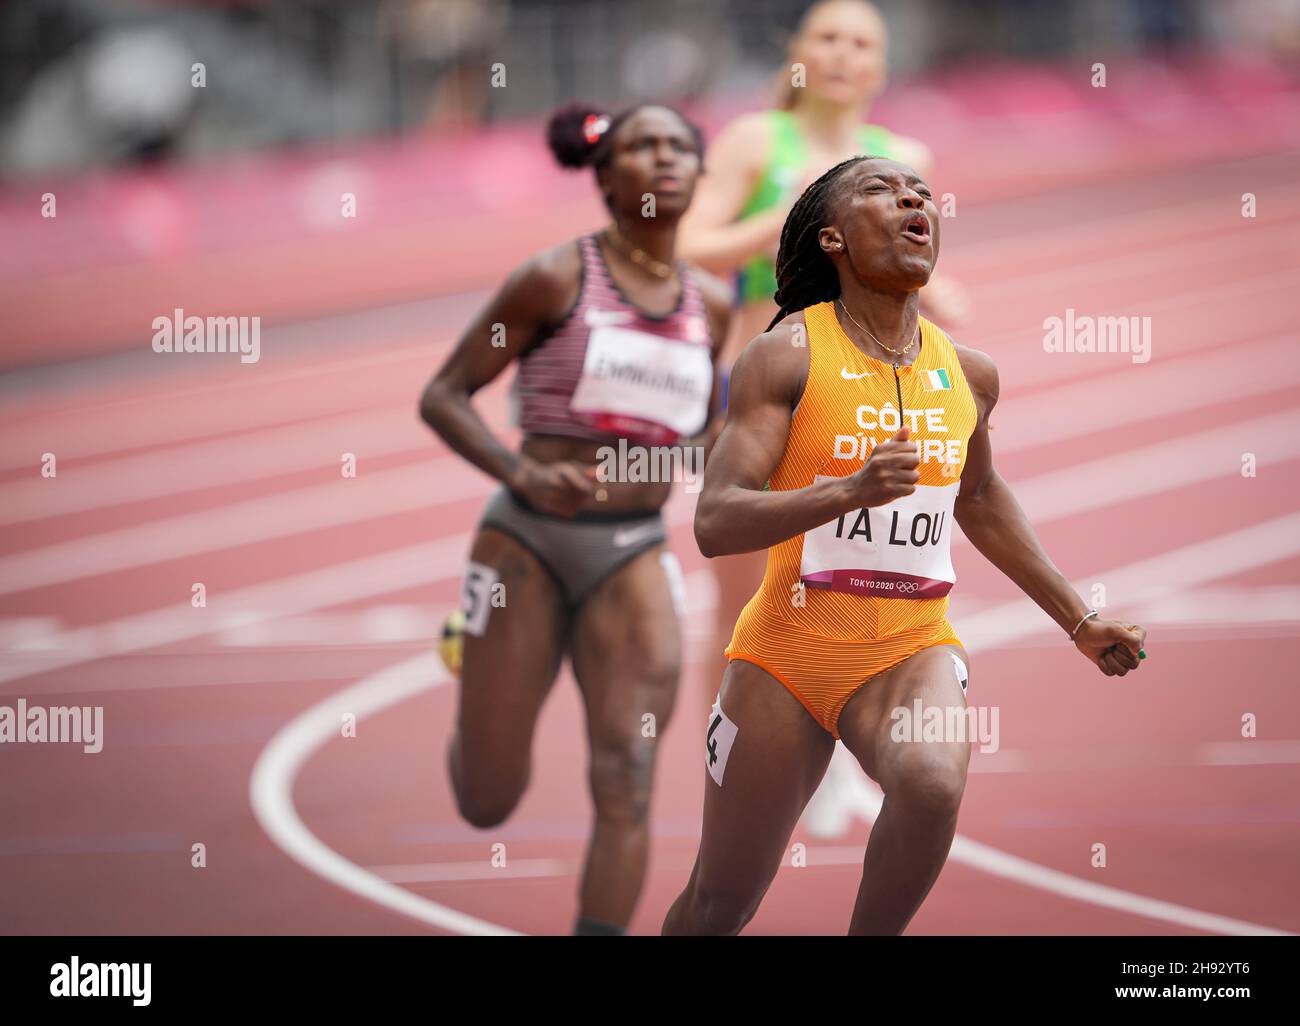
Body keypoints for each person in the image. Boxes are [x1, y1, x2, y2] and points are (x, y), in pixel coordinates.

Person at [662, 155, 1146, 935]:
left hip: (911, 650)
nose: (912, 198)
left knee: (929, 782)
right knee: (720, 903)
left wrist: (1078, 619)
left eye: (918, 192)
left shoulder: (968, 374)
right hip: (782, 657)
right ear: (833, 240)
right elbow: (716, 520)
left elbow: (980, 496)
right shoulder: (784, 357)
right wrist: (846, 491)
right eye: (881, 192)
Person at [420, 101, 731, 936]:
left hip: (631, 550)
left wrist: (701, 452)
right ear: (603, 177)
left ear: (700, 176)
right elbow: (443, 395)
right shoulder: (555, 277)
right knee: (487, 801)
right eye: (641, 145)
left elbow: (703, 437)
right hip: (526, 539)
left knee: (628, 771)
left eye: (679, 146)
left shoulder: (712, 306)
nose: (664, 158)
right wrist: (519, 468)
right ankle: (471, 645)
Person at [676, 5, 970, 836]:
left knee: (856, 582)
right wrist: (780, 227)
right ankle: (730, 767)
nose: (843, 55)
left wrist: (942, 295)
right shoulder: (755, 143)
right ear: (797, 56)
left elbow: (914, 273)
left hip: (873, 401)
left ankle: (838, 758)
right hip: (765, 389)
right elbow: (686, 247)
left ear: (881, 68)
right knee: (748, 598)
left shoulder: (904, 157)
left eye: (862, 44)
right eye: (827, 39)